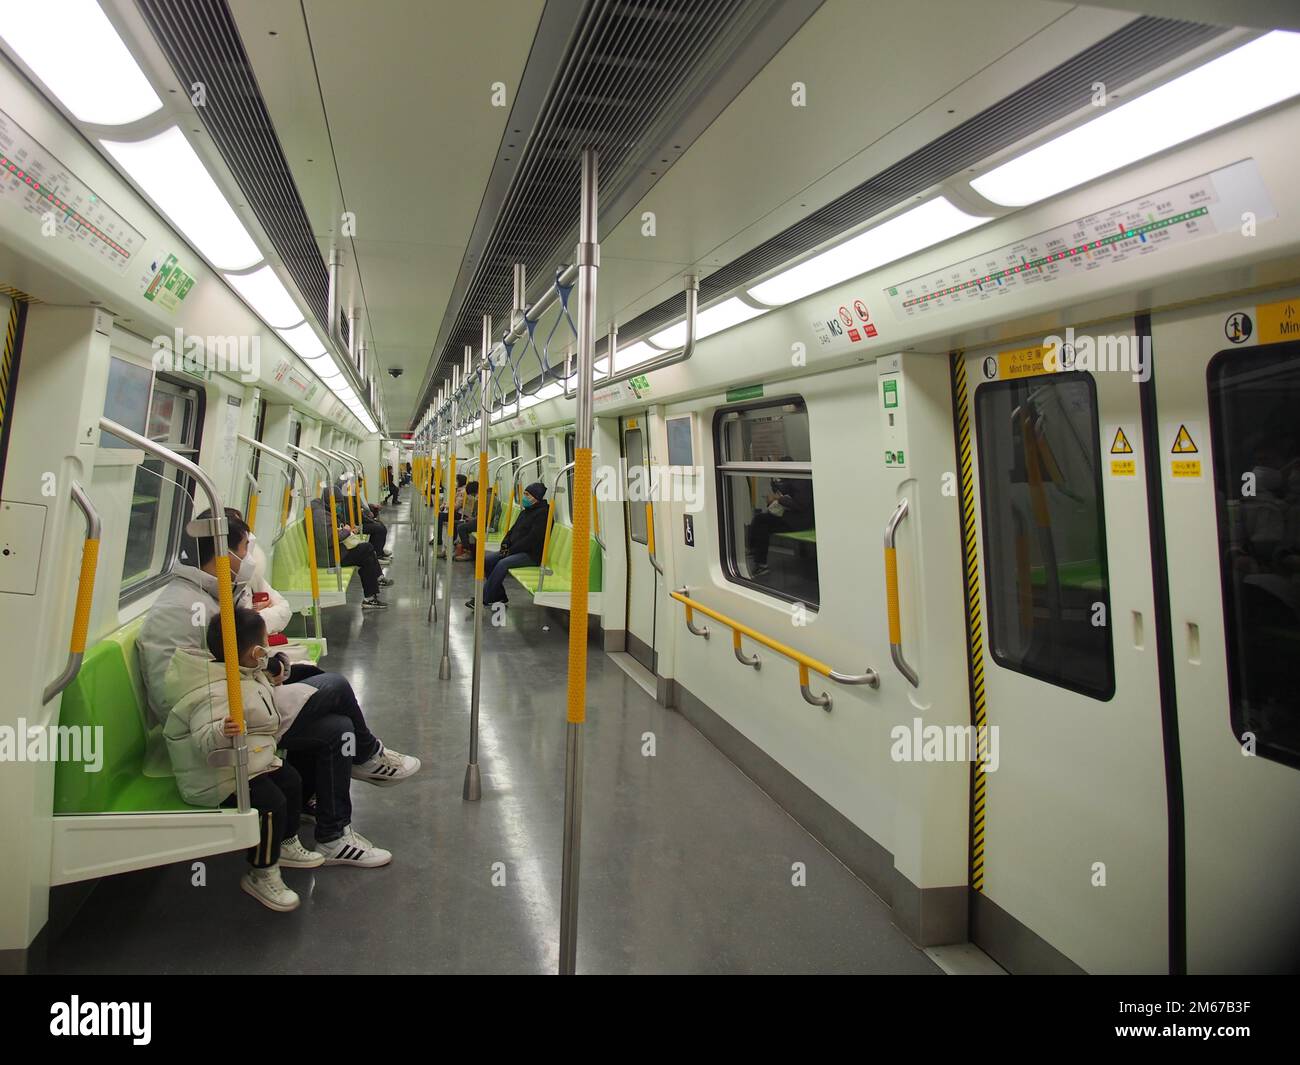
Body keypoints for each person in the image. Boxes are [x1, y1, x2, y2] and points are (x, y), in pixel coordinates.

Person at [137, 510, 420, 866]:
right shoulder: (183, 608)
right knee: (335, 685)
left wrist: (265, 668)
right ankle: (366, 759)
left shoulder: (215, 592)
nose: (249, 558)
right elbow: (177, 697)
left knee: (337, 727)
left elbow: (233, 657)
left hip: (243, 695)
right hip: (218, 722)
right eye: (243, 548)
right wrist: (255, 677)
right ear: (225, 554)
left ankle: (330, 826)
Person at [163, 608, 322, 911]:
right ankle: (262, 871)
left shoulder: (243, 673)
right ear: (254, 651)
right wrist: (222, 731)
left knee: (291, 780)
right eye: (265, 643)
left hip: (247, 759)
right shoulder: (216, 689)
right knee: (271, 804)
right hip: (214, 775)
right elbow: (203, 743)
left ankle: (285, 843)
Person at [471, 481, 548, 610]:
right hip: (515, 550)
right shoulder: (526, 511)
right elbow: (513, 530)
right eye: (524, 494)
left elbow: (532, 539)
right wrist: (505, 543)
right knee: (487, 561)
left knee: (503, 563)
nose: (524, 497)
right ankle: (499, 596)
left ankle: (484, 598)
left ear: (536, 498)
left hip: (531, 554)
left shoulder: (543, 514)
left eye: (527, 495)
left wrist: (511, 550)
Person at [311, 487, 391, 607]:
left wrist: (344, 530)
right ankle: (372, 592)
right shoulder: (320, 516)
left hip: (336, 550)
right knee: (367, 550)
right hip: (328, 557)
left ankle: (372, 593)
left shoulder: (325, 511)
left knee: (367, 553)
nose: (339, 506)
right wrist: (346, 531)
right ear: (330, 500)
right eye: (337, 503)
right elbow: (328, 539)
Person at [748, 472, 814, 577]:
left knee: (762, 524)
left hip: (798, 522)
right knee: (760, 519)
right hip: (791, 518)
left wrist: (778, 499)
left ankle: (761, 563)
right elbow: (785, 489)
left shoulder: (802, 483)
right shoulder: (794, 480)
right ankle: (754, 550)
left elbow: (799, 505)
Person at [453, 480, 479, 561]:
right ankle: (457, 548)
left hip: (484, 524)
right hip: (477, 520)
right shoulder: (479, 499)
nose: (473, 496)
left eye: (473, 494)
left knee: (461, 527)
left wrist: (472, 519)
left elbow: (484, 517)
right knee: (456, 524)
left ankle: (467, 552)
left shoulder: (486, 499)